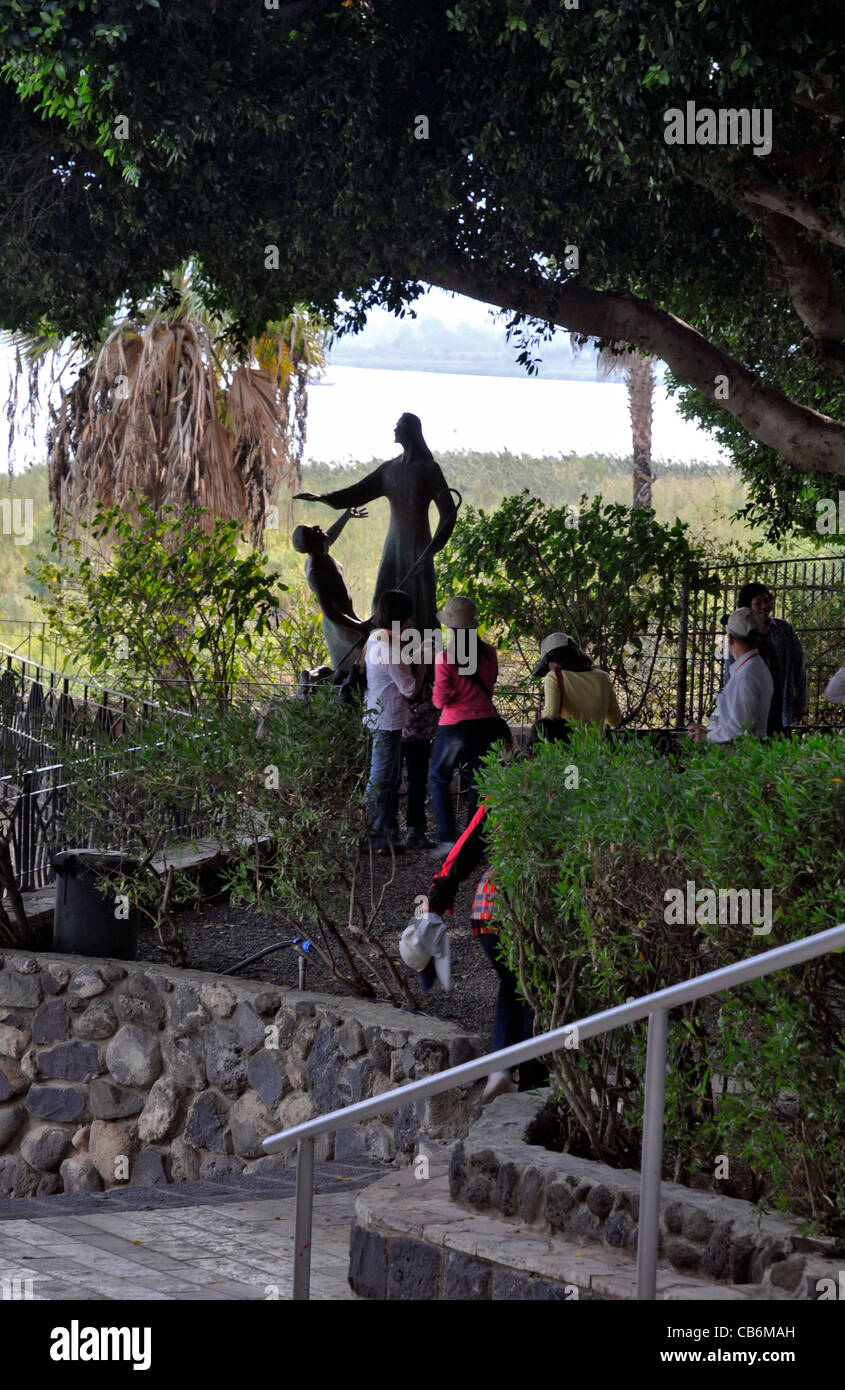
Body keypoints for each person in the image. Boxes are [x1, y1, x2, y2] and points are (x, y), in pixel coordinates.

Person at [422, 802, 547, 1100]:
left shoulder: (500, 796)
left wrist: (437, 898)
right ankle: (533, 1081)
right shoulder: (567, 796)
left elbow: (465, 848)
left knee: (513, 984)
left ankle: (500, 1069)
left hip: (488, 907)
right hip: (529, 910)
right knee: (535, 991)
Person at [294, 413, 458, 636]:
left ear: (410, 431)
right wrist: (323, 498)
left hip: (419, 546)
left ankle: (424, 662)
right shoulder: (390, 469)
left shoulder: (429, 470)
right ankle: (380, 651)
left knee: (420, 605)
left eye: (398, 426)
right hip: (393, 547)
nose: (394, 429)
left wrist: (431, 549)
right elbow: (357, 492)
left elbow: (448, 513)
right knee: (382, 599)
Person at [427, 595, 509, 857]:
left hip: (454, 727)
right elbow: (491, 683)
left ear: (450, 626)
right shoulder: (489, 653)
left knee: (439, 779)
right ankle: (474, 842)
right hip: (485, 724)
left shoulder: (445, 657)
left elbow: (440, 700)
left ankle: (448, 840)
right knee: (479, 783)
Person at [362, 590, 425, 853]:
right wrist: (423, 664)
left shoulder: (375, 639)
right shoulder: (388, 649)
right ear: (403, 620)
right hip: (387, 721)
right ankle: (370, 835)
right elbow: (410, 689)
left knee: (387, 779)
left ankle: (384, 833)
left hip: (381, 717)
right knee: (381, 779)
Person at [292, 507, 371, 673]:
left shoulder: (320, 553)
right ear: (311, 542)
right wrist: (359, 626)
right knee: (370, 659)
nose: (317, 527)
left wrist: (346, 516)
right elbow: (330, 612)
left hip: (347, 620)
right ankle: (313, 679)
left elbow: (329, 536)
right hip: (341, 625)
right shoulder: (316, 570)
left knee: (356, 664)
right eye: (312, 531)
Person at [726, 582, 808, 734]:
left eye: (767, 600)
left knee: (780, 744)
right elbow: (730, 671)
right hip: (752, 701)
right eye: (758, 603)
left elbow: (799, 667)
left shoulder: (784, 630)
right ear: (748, 607)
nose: (765, 606)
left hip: (780, 701)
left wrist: (801, 701)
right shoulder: (739, 632)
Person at [689, 607, 774, 744]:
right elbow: (737, 720)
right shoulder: (751, 667)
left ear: (730, 639)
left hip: (737, 756)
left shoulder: (746, 675)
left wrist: (706, 738)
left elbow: (740, 730)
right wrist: (710, 730)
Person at [532, 630, 622, 734]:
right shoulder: (603, 677)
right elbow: (615, 721)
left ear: (553, 660)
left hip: (568, 746)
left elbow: (549, 716)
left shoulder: (554, 677)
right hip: (598, 748)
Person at [401, 677, 439, 848]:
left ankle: (415, 830)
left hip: (418, 731)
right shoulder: (398, 660)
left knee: (417, 781)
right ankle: (391, 830)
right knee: (396, 781)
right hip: (404, 728)